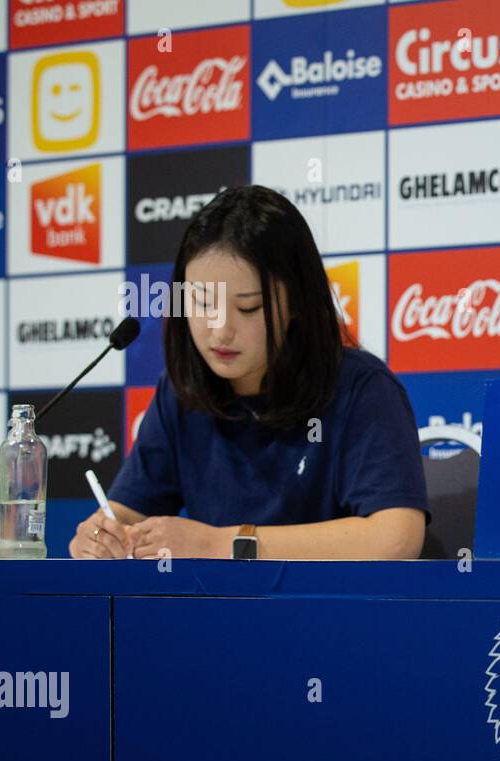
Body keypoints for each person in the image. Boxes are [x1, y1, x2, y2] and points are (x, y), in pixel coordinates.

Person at [69, 185, 428, 560]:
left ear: (296, 304)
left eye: (248, 308)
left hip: (329, 614)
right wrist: (101, 536)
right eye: (202, 303)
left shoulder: (361, 389)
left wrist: (219, 544)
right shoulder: (181, 391)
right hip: (213, 616)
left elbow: (396, 537)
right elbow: (127, 511)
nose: (220, 329)